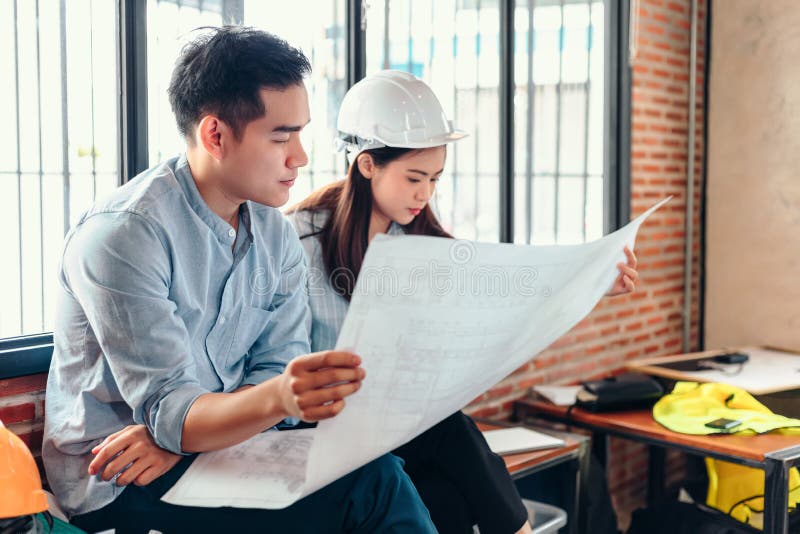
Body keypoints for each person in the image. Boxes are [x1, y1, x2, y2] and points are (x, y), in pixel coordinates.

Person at [42, 28, 436, 534]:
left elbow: (273, 366)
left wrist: (192, 436)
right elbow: (173, 411)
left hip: (201, 448)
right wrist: (200, 428)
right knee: (372, 488)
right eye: (280, 136)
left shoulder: (274, 233)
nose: (301, 157)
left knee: (387, 472)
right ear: (215, 136)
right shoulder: (124, 235)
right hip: (118, 478)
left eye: (301, 134)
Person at [286, 70, 640, 534]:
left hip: (398, 432)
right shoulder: (298, 239)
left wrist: (591, 280)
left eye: (434, 178)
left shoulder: (419, 241)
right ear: (367, 164)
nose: (425, 194)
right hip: (324, 432)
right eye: (415, 177)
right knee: (449, 432)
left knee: (447, 498)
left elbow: (505, 289)